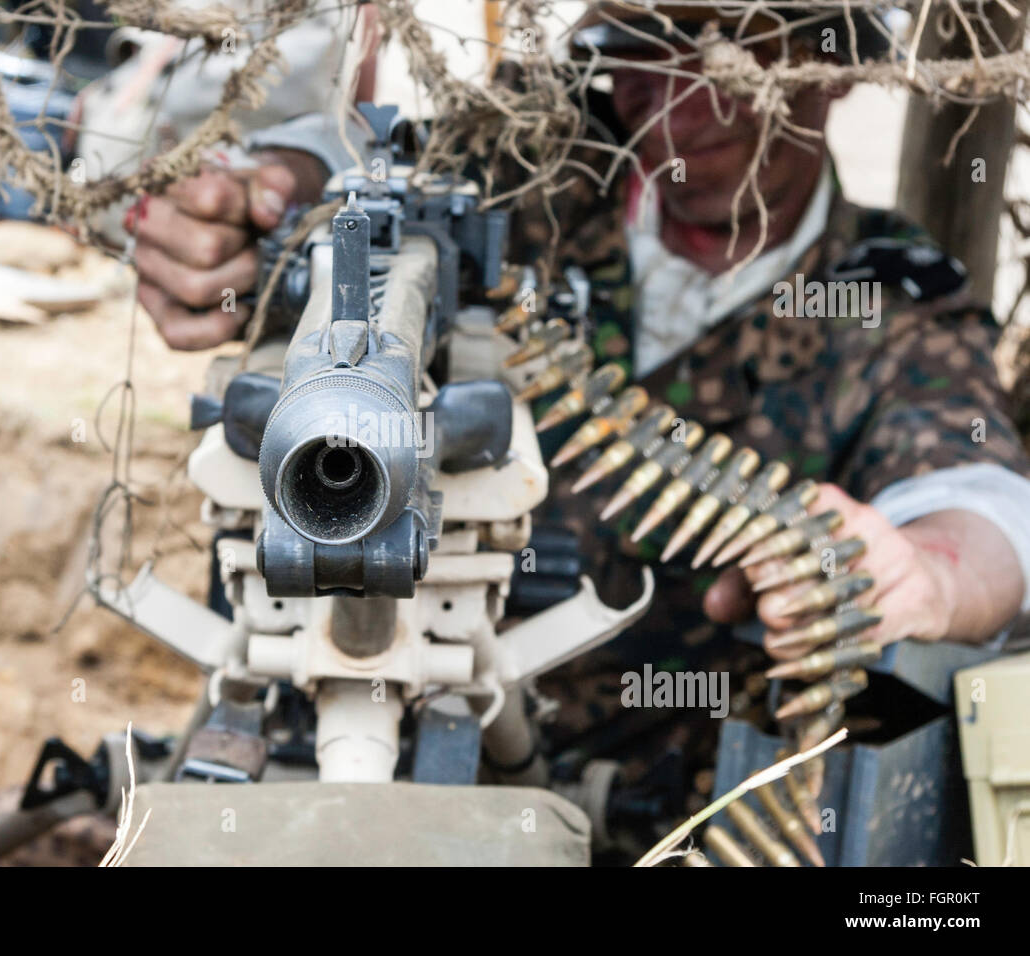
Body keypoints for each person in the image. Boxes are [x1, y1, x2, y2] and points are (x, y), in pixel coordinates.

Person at [127, 1, 1030, 832]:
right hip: (377, 714)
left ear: (828, 66)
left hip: (665, 802)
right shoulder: (535, 173)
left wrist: (926, 573)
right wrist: (257, 201)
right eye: (642, 55)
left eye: (729, 56)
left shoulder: (887, 296)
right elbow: (367, 164)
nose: (675, 109)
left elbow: (983, 503)